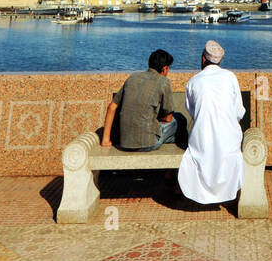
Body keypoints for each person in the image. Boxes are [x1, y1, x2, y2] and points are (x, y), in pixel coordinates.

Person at [177, 40, 245, 204]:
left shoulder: (194, 81)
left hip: (202, 141)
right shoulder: (230, 77)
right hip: (229, 141)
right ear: (220, 60)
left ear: (203, 59)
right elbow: (239, 112)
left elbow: (192, 110)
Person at [101, 49, 178, 151]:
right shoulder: (164, 82)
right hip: (149, 143)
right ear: (165, 69)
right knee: (177, 121)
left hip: (124, 142)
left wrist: (105, 140)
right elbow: (168, 118)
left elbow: (112, 107)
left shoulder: (132, 78)